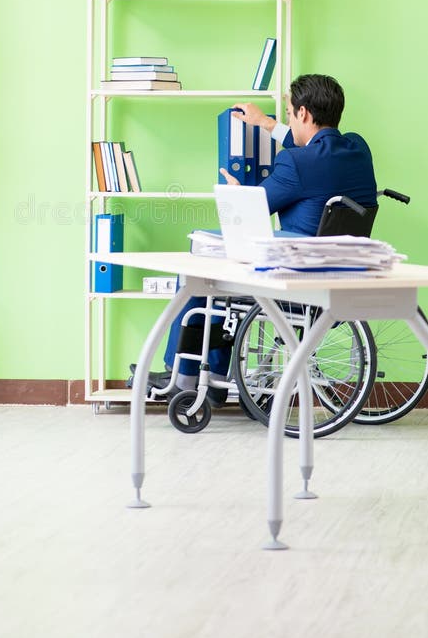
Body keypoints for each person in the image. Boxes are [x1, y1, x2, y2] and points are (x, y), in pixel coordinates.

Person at [130, 74, 378, 401]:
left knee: (202, 257)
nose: (288, 119)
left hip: (291, 278)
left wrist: (238, 195)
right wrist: (267, 124)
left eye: (289, 113)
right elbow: (315, 149)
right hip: (340, 274)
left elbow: (253, 212)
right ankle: (213, 375)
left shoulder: (294, 163)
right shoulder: (358, 149)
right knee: (215, 272)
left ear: (303, 113)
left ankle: (184, 377)